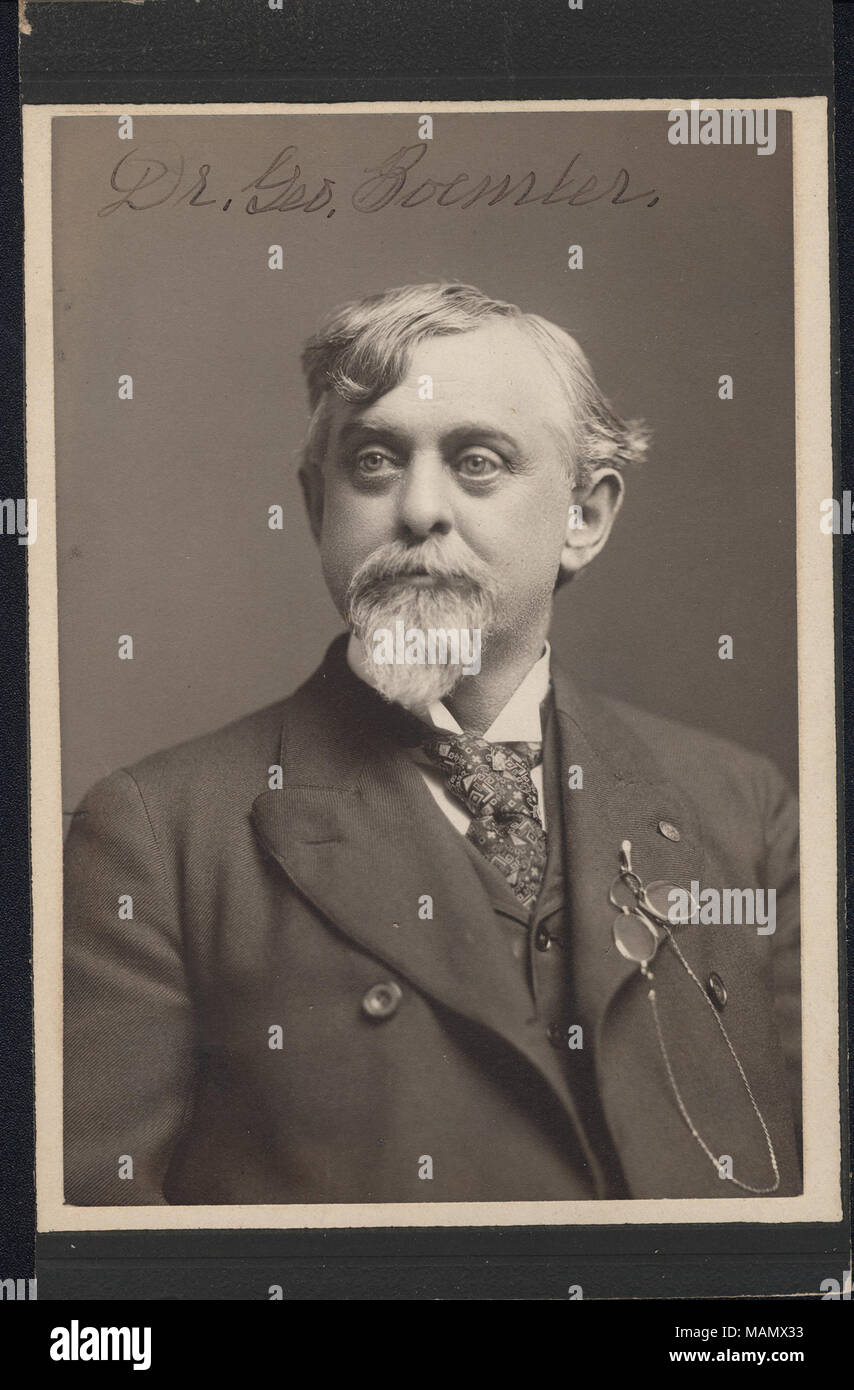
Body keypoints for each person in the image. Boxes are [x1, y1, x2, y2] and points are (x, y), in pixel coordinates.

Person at [63, 282, 801, 1205]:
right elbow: (103, 1243)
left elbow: (814, 1209)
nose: (418, 510)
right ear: (314, 504)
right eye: (372, 461)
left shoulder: (741, 809)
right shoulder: (156, 838)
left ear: (586, 517)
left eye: (479, 462)